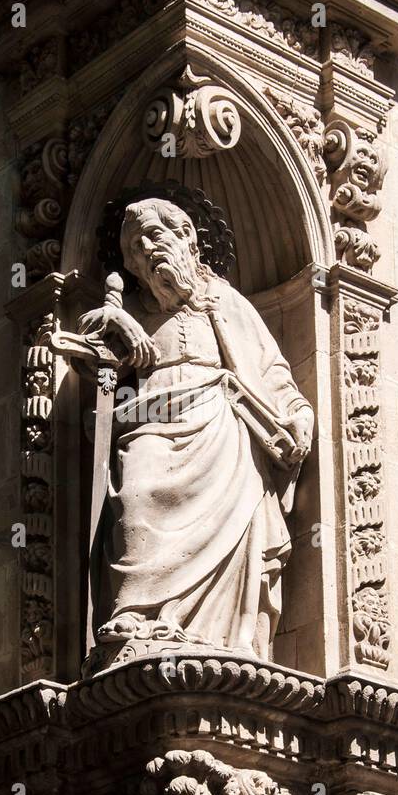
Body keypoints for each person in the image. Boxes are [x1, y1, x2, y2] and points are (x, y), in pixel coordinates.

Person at [78, 195, 313, 664]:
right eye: (137, 246)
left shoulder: (225, 300)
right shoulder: (135, 310)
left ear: (186, 238)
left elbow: (270, 371)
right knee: (136, 494)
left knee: (232, 511)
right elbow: (99, 374)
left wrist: (297, 416)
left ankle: (218, 634)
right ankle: (136, 614)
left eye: (156, 236)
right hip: (152, 419)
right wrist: (111, 333)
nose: (148, 249)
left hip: (222, 426)